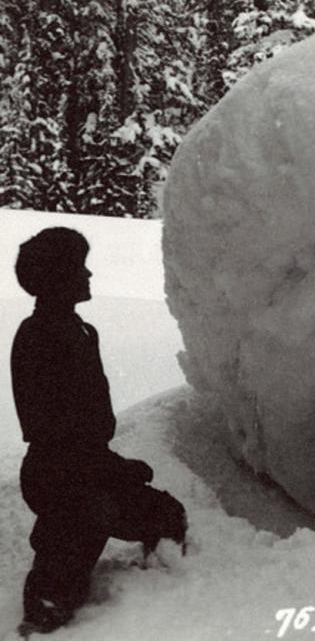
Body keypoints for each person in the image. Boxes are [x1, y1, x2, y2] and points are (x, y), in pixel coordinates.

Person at [11, 227, 187, 635]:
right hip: (54, 473)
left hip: (89, 464)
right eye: (79, 269)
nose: (89, 276)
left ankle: (167, 580)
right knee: (87, 512)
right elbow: (53, 433)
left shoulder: (82, 331)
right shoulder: (37, 336)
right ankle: (45, 607)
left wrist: (112, 466)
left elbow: (87, 429)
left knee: (165, 513)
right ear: (58, 278)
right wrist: (108, 470)